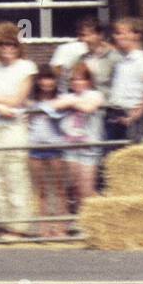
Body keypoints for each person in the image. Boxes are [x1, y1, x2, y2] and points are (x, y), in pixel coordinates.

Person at [0, 23, 37, 238]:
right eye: (3, 44)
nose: (7, 48)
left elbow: (17, 100)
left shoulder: (26, 67)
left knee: (15, 174)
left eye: (11, 44)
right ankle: (1, 221)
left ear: (18, 46)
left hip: (15, 127)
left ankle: (18, 226)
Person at [53, 62, 105, 228]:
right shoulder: (67, 96)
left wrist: (72, 102)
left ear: (89, 81)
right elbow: (54, 105)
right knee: (72, 186)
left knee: (86, 188)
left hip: (88, 147)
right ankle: (76, 221)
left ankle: (93, 222)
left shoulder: (95, 95)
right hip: (70, 146)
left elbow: (88, 108)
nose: (77, 83)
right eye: (74, 80)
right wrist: (72, 102)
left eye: (81, 80)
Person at [26, 65, 66, 238]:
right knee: (40, 188)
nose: (46, 82)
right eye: (43, 78)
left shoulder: (62, 99)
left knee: (58, 187)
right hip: (36, 147)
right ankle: (43, 226)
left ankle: (60, 225)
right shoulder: (31, 102)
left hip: (55, 146)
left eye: (50, 78)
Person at [105, 17, 143, 146]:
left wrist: (134, 116)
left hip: (130, 114)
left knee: (132, 155)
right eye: (117, 33)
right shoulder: (122, 61)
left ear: (136, 35)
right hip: (116, 112)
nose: (118, 37)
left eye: (123, 33)